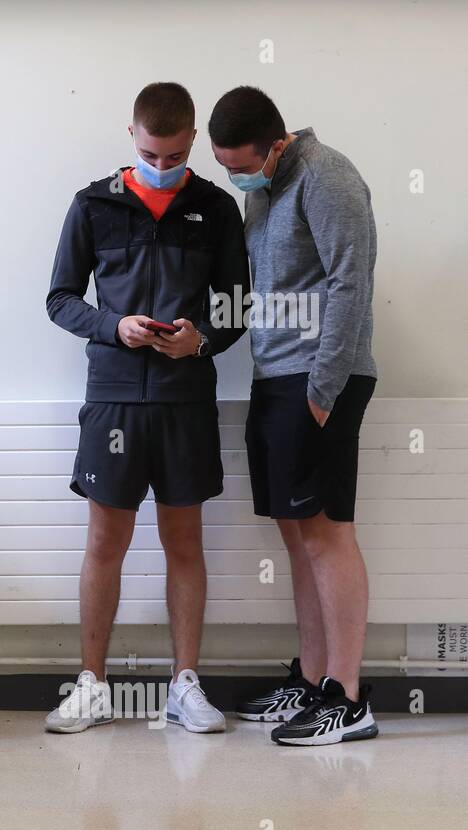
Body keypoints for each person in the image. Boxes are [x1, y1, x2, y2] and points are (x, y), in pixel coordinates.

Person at [45, 82, 249, 734]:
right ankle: (91, 684)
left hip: (185, 399)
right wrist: (113, 326)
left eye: (174, 153)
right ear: (132, 135)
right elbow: (60, 299)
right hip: (113, 398)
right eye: (152, 152)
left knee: (183, 543)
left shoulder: (216, 208)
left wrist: (203, 339)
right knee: (106, 542)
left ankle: (185, 685)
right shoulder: (93, 205)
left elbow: (237, 306)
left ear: (191, 140)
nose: (163, 163)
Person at [208, 86, 379, 746]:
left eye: (241, 163)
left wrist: (322, 388)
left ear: (276, 145)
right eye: (224, 165)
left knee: (327, 533)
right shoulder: (266, 189)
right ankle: (311, 682)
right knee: (296, 535)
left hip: (320, 384)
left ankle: (348, 697)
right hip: (276, 379)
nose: (235, 175)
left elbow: (348, 281)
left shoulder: (326, 178)